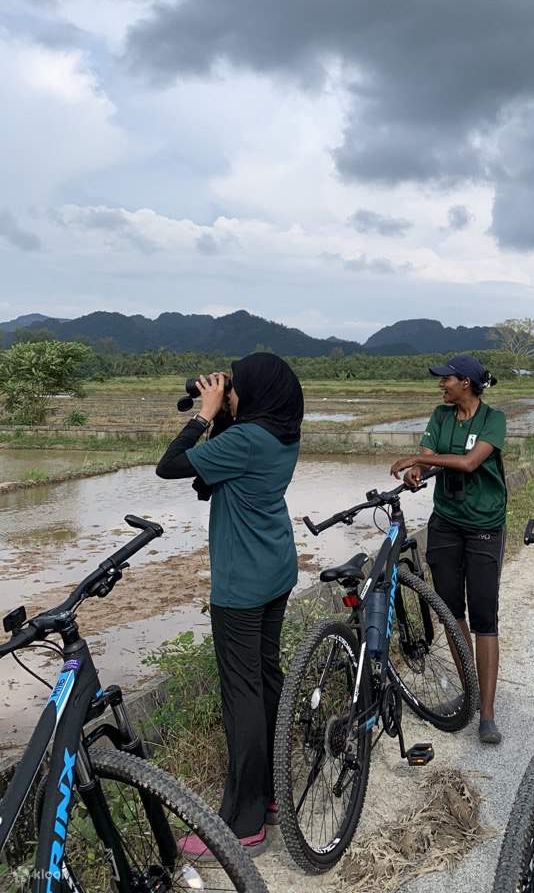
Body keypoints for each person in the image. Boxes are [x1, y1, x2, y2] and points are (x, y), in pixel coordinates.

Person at [155, 353, 304, 858]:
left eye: (235, 387)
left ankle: (243, 823)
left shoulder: (243, 440)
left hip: (241, 584)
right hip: (278, 568)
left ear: (255, 393)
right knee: (264, 681)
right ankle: (274, 793)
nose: (229, 392)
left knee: (241, 696)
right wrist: (223, 413)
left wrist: (202, 416)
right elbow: (208, 482)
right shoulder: (280, 434)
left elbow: (170, 467)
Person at [390, 354, 507, 745]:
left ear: (468, 383)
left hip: (484, 526)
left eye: (447, 379)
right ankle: (470, 694)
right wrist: (416, 471)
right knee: (450, 611)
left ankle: (487, 713)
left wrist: (420, 458)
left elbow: (471, 463)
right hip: (446, 523)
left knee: (484, 617)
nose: (441, 384)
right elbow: (428, 458)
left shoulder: (493, 419)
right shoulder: (441, 417)